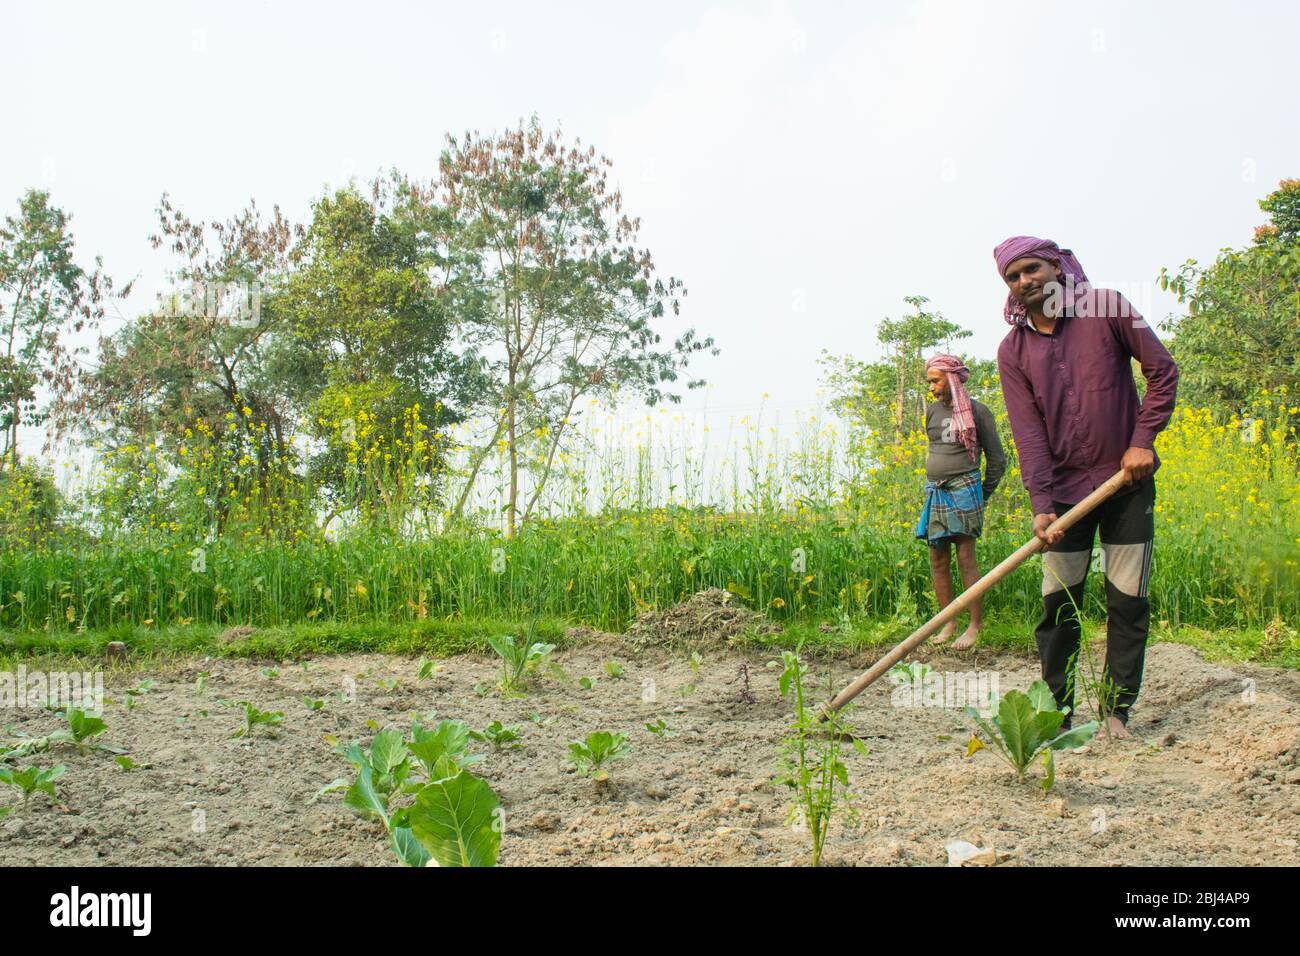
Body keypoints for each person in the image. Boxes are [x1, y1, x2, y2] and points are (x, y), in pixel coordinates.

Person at [993, 235, 1178, 740]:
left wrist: (1143, 441)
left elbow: (1162, 371)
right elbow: (1028, 434)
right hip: (1064, 497)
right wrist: (1040, 505)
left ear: (1055, 265)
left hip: (1127, 483)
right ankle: (1058, 716)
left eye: (1031, 269)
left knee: (1126, 599)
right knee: (1058, 606)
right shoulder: (1013, 351)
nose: (1024, 281)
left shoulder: (1107, 309)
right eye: (1013, 276)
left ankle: (1118, 713)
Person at [915, 354, 1006, 650]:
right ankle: (949, 622)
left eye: (935, 380)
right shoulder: (931, 412)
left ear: (952, 379)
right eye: (929, 381)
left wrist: (982, 494)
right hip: (936, 492)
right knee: (937, 559)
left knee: (966, 559)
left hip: (965, 490)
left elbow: (997, 460)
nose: (931, 387)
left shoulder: (978, 412)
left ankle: (974, 625)